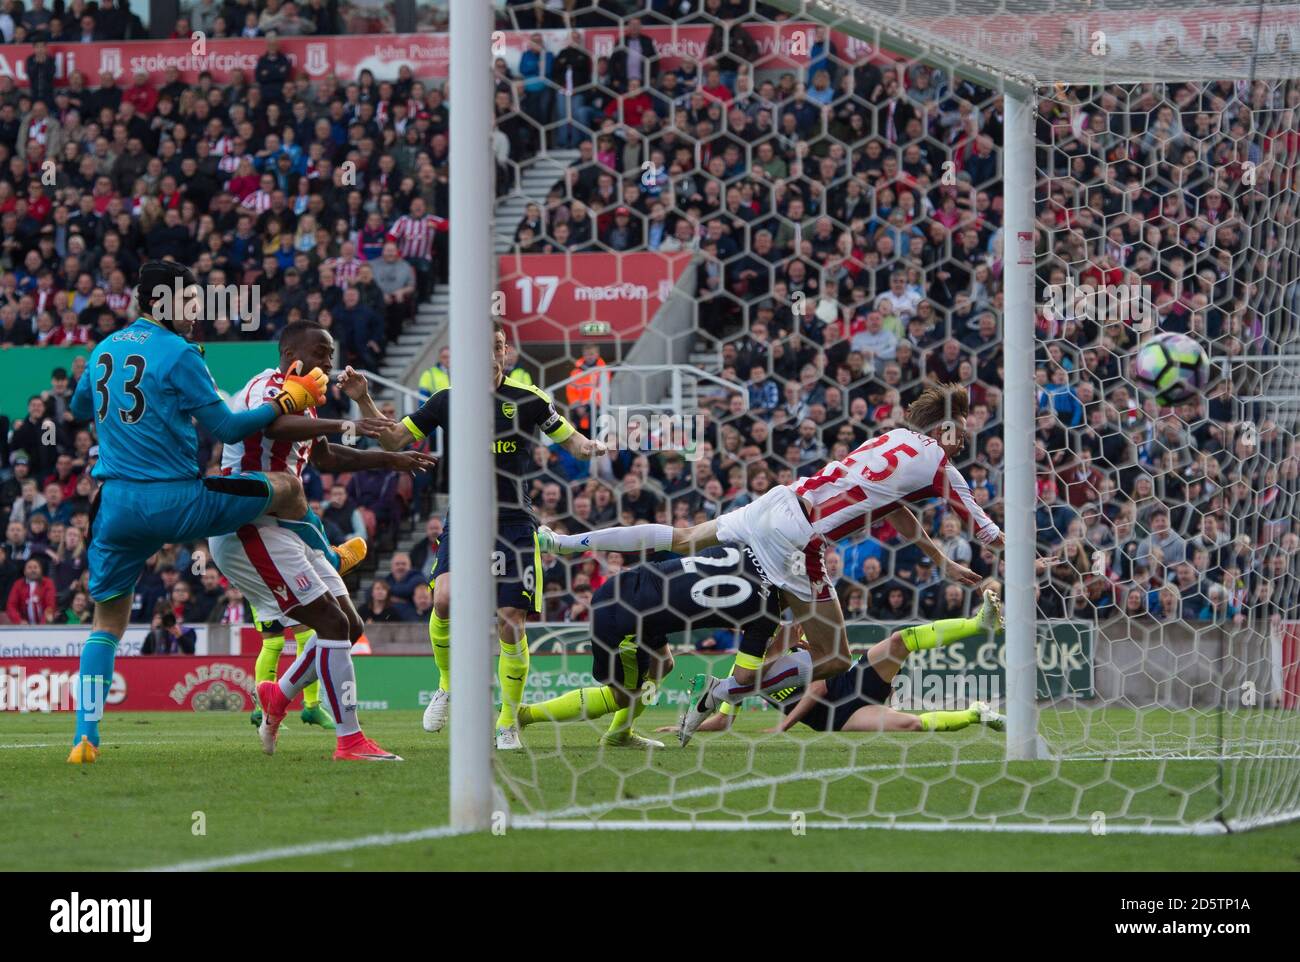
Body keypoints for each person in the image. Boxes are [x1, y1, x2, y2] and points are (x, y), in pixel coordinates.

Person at [541, 382, 999, 743]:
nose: (961, 446)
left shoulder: (894, 437)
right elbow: (988, 533)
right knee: (836, 656)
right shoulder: (944, 468)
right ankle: (725, 692)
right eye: (960, 436)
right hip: (799, 541)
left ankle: (565, 541)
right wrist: (1026, 556)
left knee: (683, 537)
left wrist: (940, 561)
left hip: (778, 501)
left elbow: (893, 506)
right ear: (944, 431)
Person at [67, 261, 331, 764]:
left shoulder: (104, 348)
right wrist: (285, 401)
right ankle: (331, 561)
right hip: (179, 503)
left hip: (117, 508)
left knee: (106, 625)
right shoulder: (180, 353)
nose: (195, 311)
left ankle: (86, 737)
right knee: (284, 486)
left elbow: (82, 407)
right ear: (163, 304)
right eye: (190, 301)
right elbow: (229, 430)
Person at [341, 326, 607, 749]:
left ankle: (507, 722)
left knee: (509, 622)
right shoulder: (447, 400)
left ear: (506, 352)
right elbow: (394, 438)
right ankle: (447, 685)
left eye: (497, 346)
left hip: (514, 522)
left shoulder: (529, 399)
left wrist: (597, 445)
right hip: (465, 518)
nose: (491, 353)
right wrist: (362, 398)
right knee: (443, 599)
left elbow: (572, 443)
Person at [208, 321, 436, 761]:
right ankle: (350, 741)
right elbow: (273, 429)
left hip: (283, 527)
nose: (328, 363)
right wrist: (352, 423)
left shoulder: (307, 406)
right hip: (248, 525)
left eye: (331, 354)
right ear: (290, 350)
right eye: (320, 352)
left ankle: (279, 696)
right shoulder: (266, 386)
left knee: (350, 625)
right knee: (330, 624)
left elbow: (327, 455)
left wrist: (388, 457)